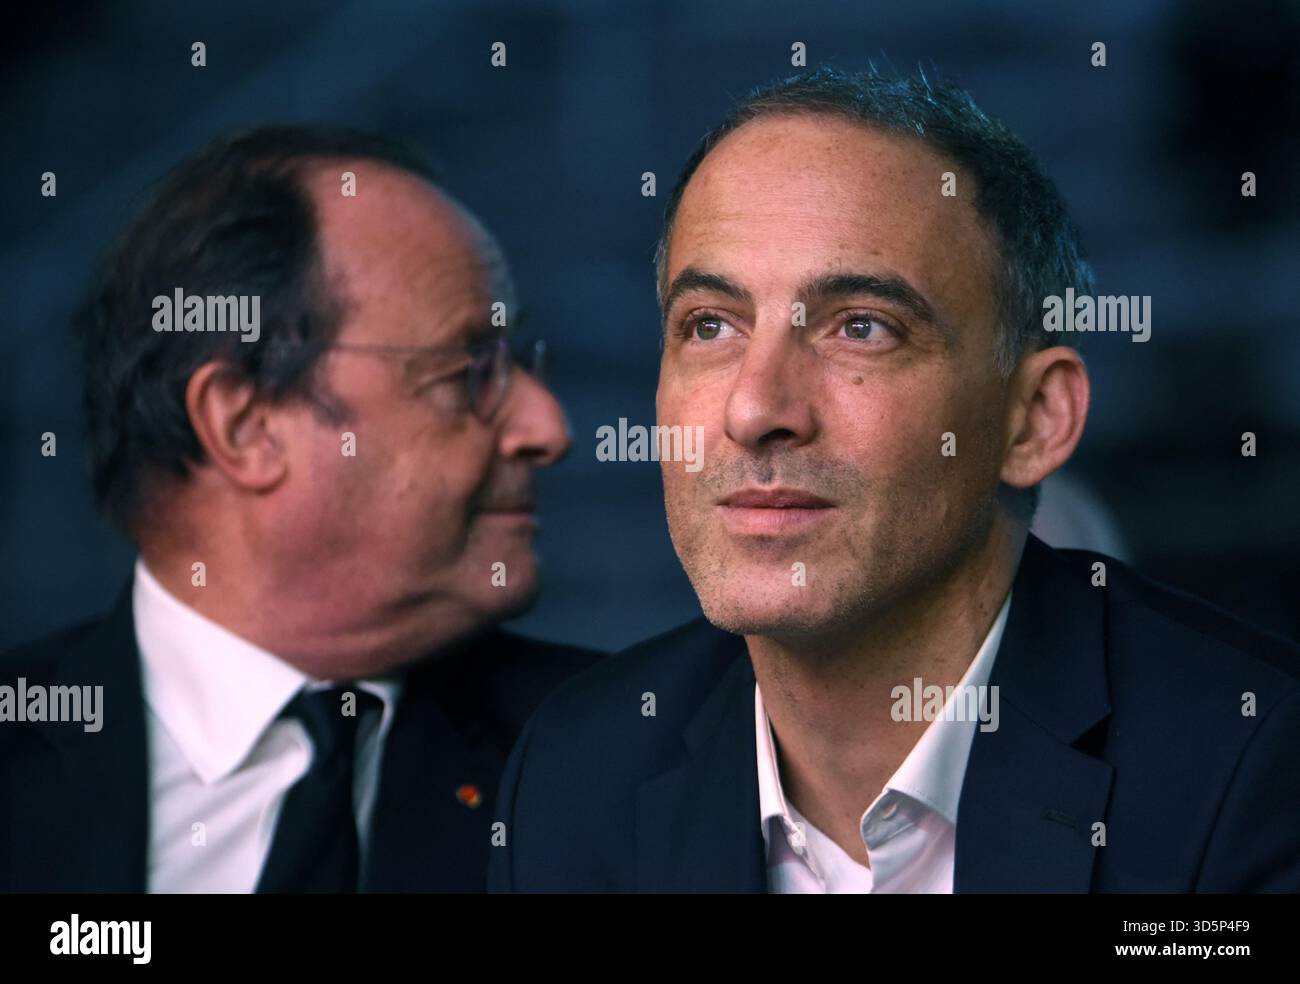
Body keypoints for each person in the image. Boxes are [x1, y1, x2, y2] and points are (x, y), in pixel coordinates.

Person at [489, 68, 1300, 893]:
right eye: (710, 325)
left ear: (1035, 420)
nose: (756, 407)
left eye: (862, 327)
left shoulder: (1251, 770)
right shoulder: (574, 779)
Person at [0, 125, 600, 892]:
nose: (548, 428)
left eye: (520, 364)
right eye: (469, 371)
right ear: (245, 426)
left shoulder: (614, 764)